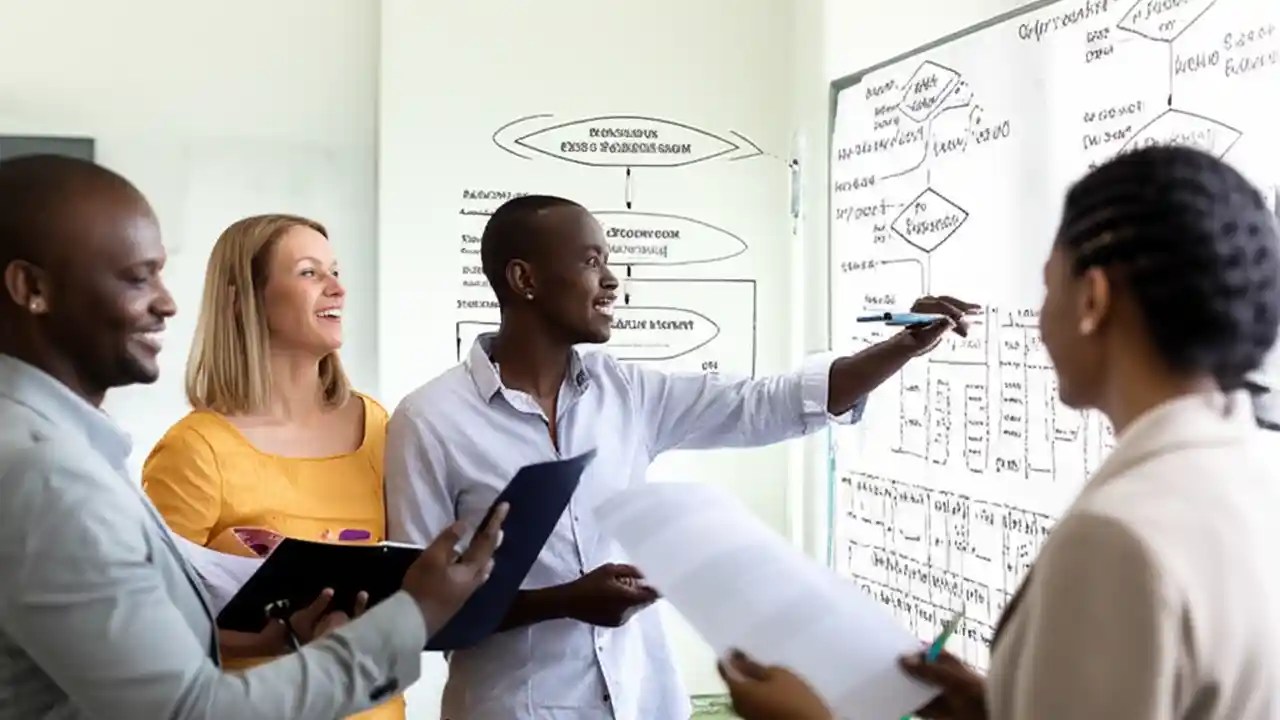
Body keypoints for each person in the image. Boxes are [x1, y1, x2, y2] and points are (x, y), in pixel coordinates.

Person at [717, 146, 1280, 720]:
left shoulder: (1116, 537)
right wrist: (1003, 706)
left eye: (1047, 287)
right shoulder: (1247, 476)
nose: (1040, 319)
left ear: (1092, 300)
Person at [383, 193, 978, 719]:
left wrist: (900, 346)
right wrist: (563, 602)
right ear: (524, 278)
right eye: (592, 262)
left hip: (647, 702)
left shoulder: (628, 395)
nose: (612, 280)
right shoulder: (431, 421)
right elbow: (412, 614)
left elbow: (762, 405)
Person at [0, 154, 506, 719]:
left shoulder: (67, 454)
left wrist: (279, 637)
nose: (167, 302)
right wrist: (414, 614)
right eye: (137, 277)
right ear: (30, 288)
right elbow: (189, 706)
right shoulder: (47, 474)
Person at [141, 214, 405, 720]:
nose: (337, 288)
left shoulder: (380, 428)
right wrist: (276, 637)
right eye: (309, 273)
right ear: (243, 301)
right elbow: (149, 627)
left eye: (335, 271)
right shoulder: (195, 450)